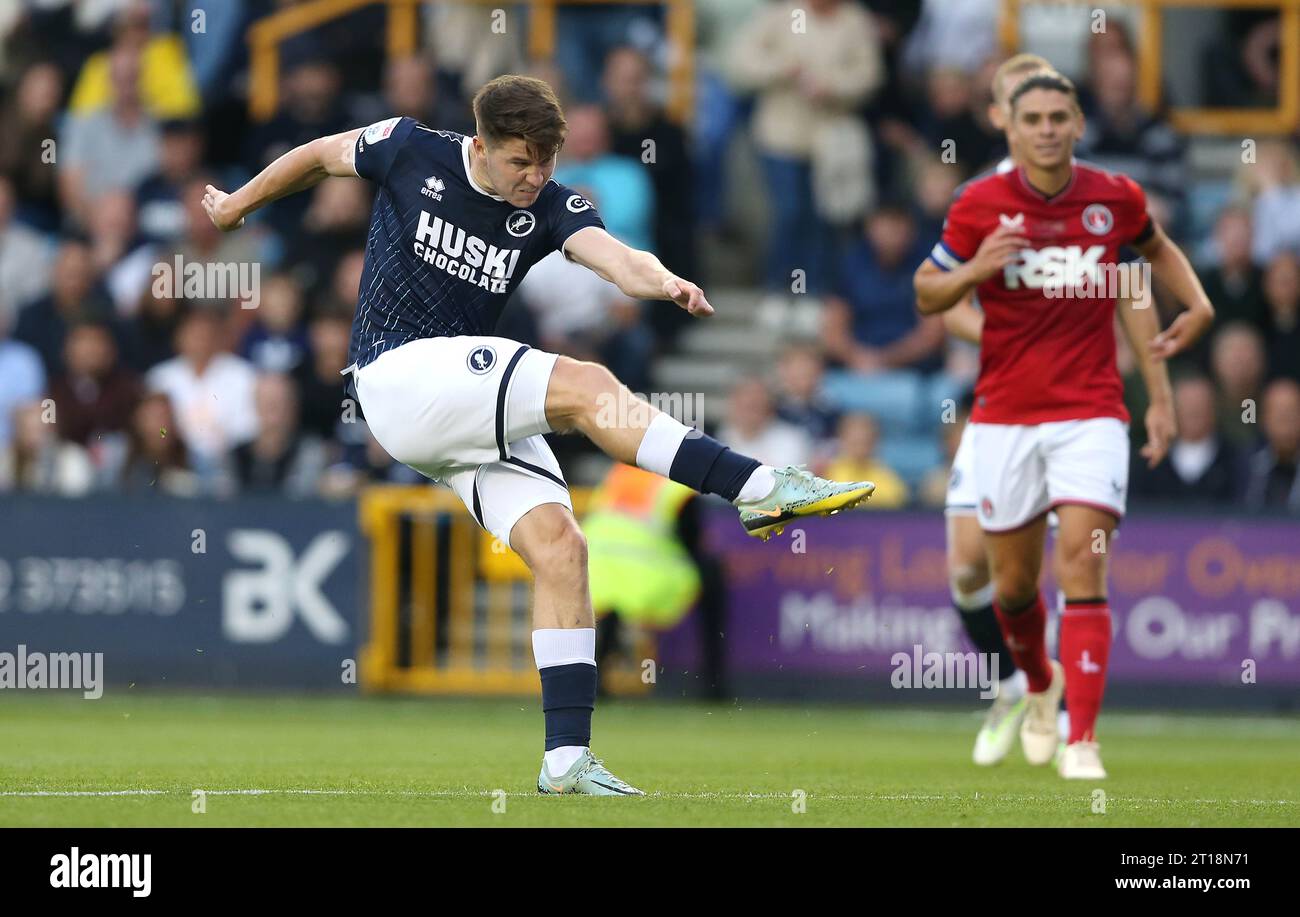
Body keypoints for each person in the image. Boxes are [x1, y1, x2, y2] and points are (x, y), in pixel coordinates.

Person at [201, 74, 874, 796]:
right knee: (587, 387)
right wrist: (239, 204)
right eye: (521, 162)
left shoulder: (552, 204)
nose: (536, 176)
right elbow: (316, 155)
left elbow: (613, 255)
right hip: (394, 375)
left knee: (561, 546)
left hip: (455, 406)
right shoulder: (407, 147)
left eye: (547, 160)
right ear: (481, 144)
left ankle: (565, 759)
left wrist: (658, 279)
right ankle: (759, 486)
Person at [915, 72, 1214, 780]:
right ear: (1008, 127)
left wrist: (1194, 308)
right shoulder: (981, 203)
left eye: (1059, 116)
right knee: (1010, 583)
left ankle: (1084, 739)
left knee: (1083, 560)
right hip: (1006, 416)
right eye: (1034, 117)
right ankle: (1034, 681)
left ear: (1079, 123)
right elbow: (929, 291)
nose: (1048, 128)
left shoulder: (1114, 196)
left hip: (1091, 412)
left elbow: (1149, 259)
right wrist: (977, 273)